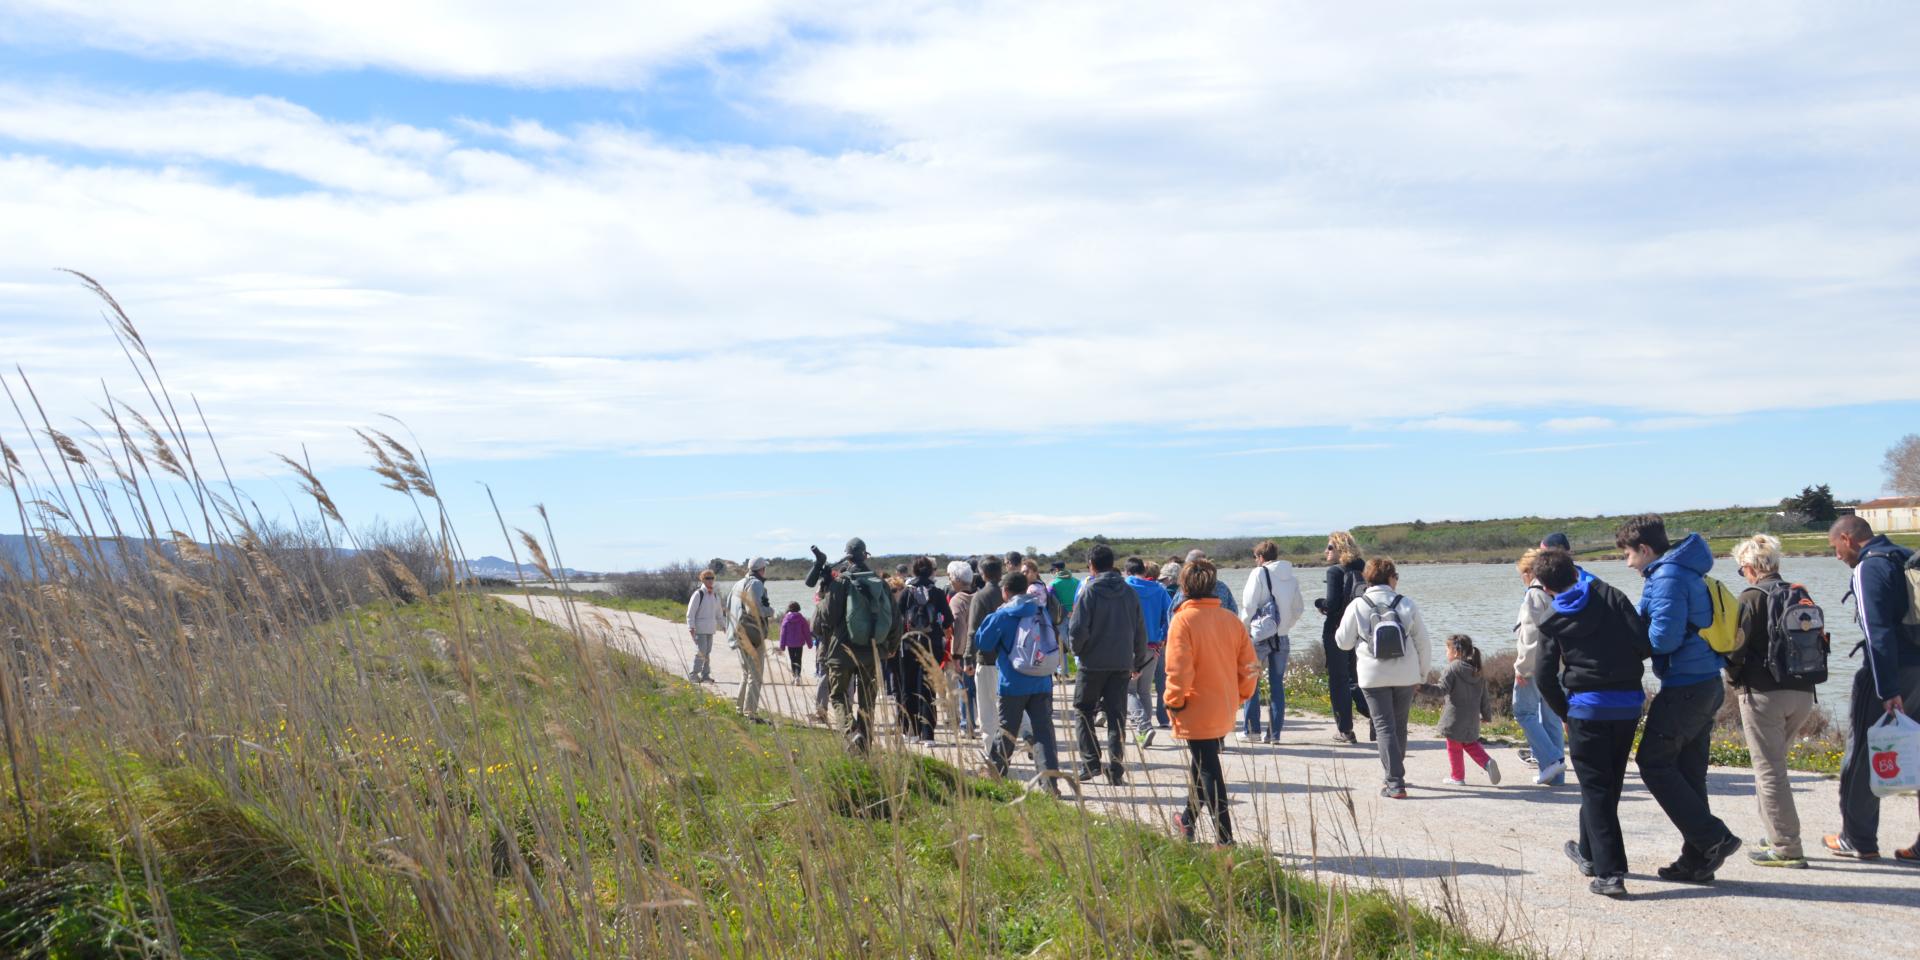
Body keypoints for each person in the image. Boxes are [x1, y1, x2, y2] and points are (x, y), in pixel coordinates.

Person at [1618, 515, 1741, 882]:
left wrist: (1624, 646)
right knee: (1689, 773)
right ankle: (1698, 861)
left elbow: (1664, 639)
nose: (1626, 562)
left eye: (1627, 554)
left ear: (1644, 549)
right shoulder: (1681, 571)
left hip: (1686, 686)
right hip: (1705, 683)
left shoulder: (1668, 577)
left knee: (1653, 762)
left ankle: (1713, 837)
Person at [1533, 547, 1651, 899]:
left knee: (1596, 789)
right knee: (1607, 784)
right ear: (1575, 570)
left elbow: (1543, 675)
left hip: (1586, 709)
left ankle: (1609, 873)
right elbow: (1643, 644)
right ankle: (1589, 853)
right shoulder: (1611, 596)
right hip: (1628, 704)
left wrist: (1564, 712)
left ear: (1545, 587)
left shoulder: (1551, 619)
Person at [1823, 516, 1920, 861]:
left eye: (1835, 548)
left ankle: (1858, 838)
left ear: (1847, 539)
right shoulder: (1904, 555)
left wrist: (1887, 688)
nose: (1836, 556)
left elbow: (1877, 631)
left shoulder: (1869, 568)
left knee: (1864, 752)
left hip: (1891, 674)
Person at [1721, 534, 1817, 867]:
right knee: (1774, 767)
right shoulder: (1798, 592)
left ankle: (1787, 846)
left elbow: (1735, 646)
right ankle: (1775, 832)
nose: (1742, 574)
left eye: (1740, 569)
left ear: (1750, 567)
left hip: (1764, 694)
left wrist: (1733, 681)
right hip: (1803, 692)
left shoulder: (1750, 596)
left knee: (1769, 772)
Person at [1163, 558, 1258, 845]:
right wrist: (1242, 694)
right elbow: (1250, 666)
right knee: (1202, 764)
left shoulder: (1183, 619)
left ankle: (1225, 838)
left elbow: (1178, 668)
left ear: (1184, 585)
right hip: (1225, 704)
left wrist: (1173, 701)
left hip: (1194, 705)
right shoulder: (1231, 620)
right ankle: (1187, 820)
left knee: (1207, 768)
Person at [1334, 557, 1431, 798]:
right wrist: (1422, 674)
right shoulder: (1406, 603)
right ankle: (1397, 776)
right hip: (1405, 674)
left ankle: (1395, 781)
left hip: (1372, 674)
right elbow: (1424, 643)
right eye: (1396, 576)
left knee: (1384, 726)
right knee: (1399, 726)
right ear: (1390, 578)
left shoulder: (1358, 604)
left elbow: (1343, 643)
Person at [1067, 544, 1150, 785]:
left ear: (1091, 566)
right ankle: (1115, 769)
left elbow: (1077, 629)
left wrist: (1079, 652)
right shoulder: (1128, 591)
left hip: (1092, 663)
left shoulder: (1089, 590)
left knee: (1083, 711)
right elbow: (1140, 630)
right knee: (1116, 717)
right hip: (1122, 663)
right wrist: (1138, 660)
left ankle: (1091, 762)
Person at [974, 571, 1062, 794]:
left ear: (1005, 592)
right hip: (1042, 681)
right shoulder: (1041, 610)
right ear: (1026, 589)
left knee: (1006, 731)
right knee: (1043, 733)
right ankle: (1050, 785)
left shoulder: (1002, 615)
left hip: (1013, 684)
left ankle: (994, 776)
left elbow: (983, 643)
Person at [819, 538, 896, 753]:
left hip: (841, 652)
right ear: (865, 556)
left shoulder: (841, 582)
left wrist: (827, 591)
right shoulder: (880, 583)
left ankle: (852, 732)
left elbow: (826, 617)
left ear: (847, 556)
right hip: (872, 652)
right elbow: (895, 618)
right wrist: (891, 646)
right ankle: (864, 750)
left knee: (838, 696)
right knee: (867, 703)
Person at [1239, 540, 1304, 744]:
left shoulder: (1259, 573)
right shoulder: (1292, 578)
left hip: (1259, 638)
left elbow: (1248, 605)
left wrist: (1244, 629)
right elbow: (1298, 609)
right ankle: (1274, 734)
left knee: (1252, 682)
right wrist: (1285, 626)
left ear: (1260, 557)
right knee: (1277, 686)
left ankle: (1252, 731)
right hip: (1282, 637)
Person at [1512, 549, 1568, 785]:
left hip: (1538, 665)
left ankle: (1553, 759)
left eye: (1522, 574)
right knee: (1552, 716)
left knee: (1523, 712)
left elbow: (1531, 635)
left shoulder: (1534, 594)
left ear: (1528, 572)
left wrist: (1522, 668)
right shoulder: (1556, 591)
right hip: (1559, 664)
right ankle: (1556, 776)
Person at [1423, 634, 1500, 786]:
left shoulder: (1452, 668)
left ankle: (1457, 777)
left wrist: (1421, 687)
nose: (1446, 653)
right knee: (1470, 744)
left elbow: (1440, 690)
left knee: (1454, 747)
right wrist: (1486, 715)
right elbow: (1484, 696)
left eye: (1447, 649)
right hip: (1472, 719)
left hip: (1454, 718)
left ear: (1456, 652)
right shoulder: (1476, 670)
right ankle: (1487, 762)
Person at [1316, 531, 1368, 744]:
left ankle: (1345, 730)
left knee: (1338, 681)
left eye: (1329, 547)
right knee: (1357, 678)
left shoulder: (1335, 572)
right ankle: (1375, 718)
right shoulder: (1363, 567)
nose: (1326, 552)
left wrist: (1319, 604)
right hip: (1360, 629)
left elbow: (1333, 604)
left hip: (1336, 630)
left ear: (1339, 549)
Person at [898, 557, 954, 745]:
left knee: (908, 687)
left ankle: (910, 732)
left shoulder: (907, 593)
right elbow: (948, 620)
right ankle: (928, 735)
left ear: (913, 571)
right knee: (928, 689)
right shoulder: (937, 593)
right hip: (932, 645)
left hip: (909, 645)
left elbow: (897, 618)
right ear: (931, 571)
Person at [1124, 556, 1175, 743]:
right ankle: (1144, 731)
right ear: (1144, 572)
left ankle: (1143, 728)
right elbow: (1170, 615)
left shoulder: (1124, 588)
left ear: (1127, 571)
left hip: (1129, 645)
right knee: (1145, 690)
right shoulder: (1160, 590)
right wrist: (1162, 637)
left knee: (1128, 690)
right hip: (1152, 646)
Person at [728, 558, 775, 722]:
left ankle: (740, 708)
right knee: (755, 675)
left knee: (746, 673)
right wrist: (770, 611)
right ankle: (751, 714)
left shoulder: (738, 583)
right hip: (752, 636)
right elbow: (752, 608)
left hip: (739, 632)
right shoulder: (756, 584)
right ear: (762, 569)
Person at [969, 557, 1008, 744]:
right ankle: (1026, 733)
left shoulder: (980, 596)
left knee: (986, 709)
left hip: (987, 658)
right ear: (1001, 573)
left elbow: (973, 631)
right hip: (1009, 659)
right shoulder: (1008, 594)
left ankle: (991, 750)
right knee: (1007, 703)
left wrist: (968, 658)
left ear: (982, 574)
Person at [946, 560, 979, 739]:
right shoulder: (979, 595)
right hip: (981, 649)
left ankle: (967, 725)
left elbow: (958, 629)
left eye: (951, 576)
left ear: (957, 579)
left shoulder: (958, 600)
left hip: (965, 651)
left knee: (965, 689)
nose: (950, 580)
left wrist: (955, 655)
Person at [685, 570, 724, 682]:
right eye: (707, 578)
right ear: (702, 579)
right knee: (701, 652)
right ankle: (693, 675)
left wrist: (724, 626)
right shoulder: (698, 594)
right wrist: (691, 627)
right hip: (700, 629)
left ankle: (705, 675)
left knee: (707, 652)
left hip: (710, 629)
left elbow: (719, 614)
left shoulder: (715, 595)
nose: (710, 580)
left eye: (712, 578)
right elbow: (690, 613)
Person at [1172, 549, 1238, 614]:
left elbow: (1172, 613)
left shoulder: (1185, 588)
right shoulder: (1222, 587)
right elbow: (1234, 611)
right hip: (1219, 623)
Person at [779, 600, 811, 684]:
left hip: (790, 644)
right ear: (798, 608)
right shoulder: (802, 619)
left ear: (789, 609)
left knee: (792, 659)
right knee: (798, 659)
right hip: (799, 643)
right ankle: (798, 676)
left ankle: (795, 676)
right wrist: (809, 643)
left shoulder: (786, 619)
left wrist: (782, 645)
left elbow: (783, 633)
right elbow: (806, 632)